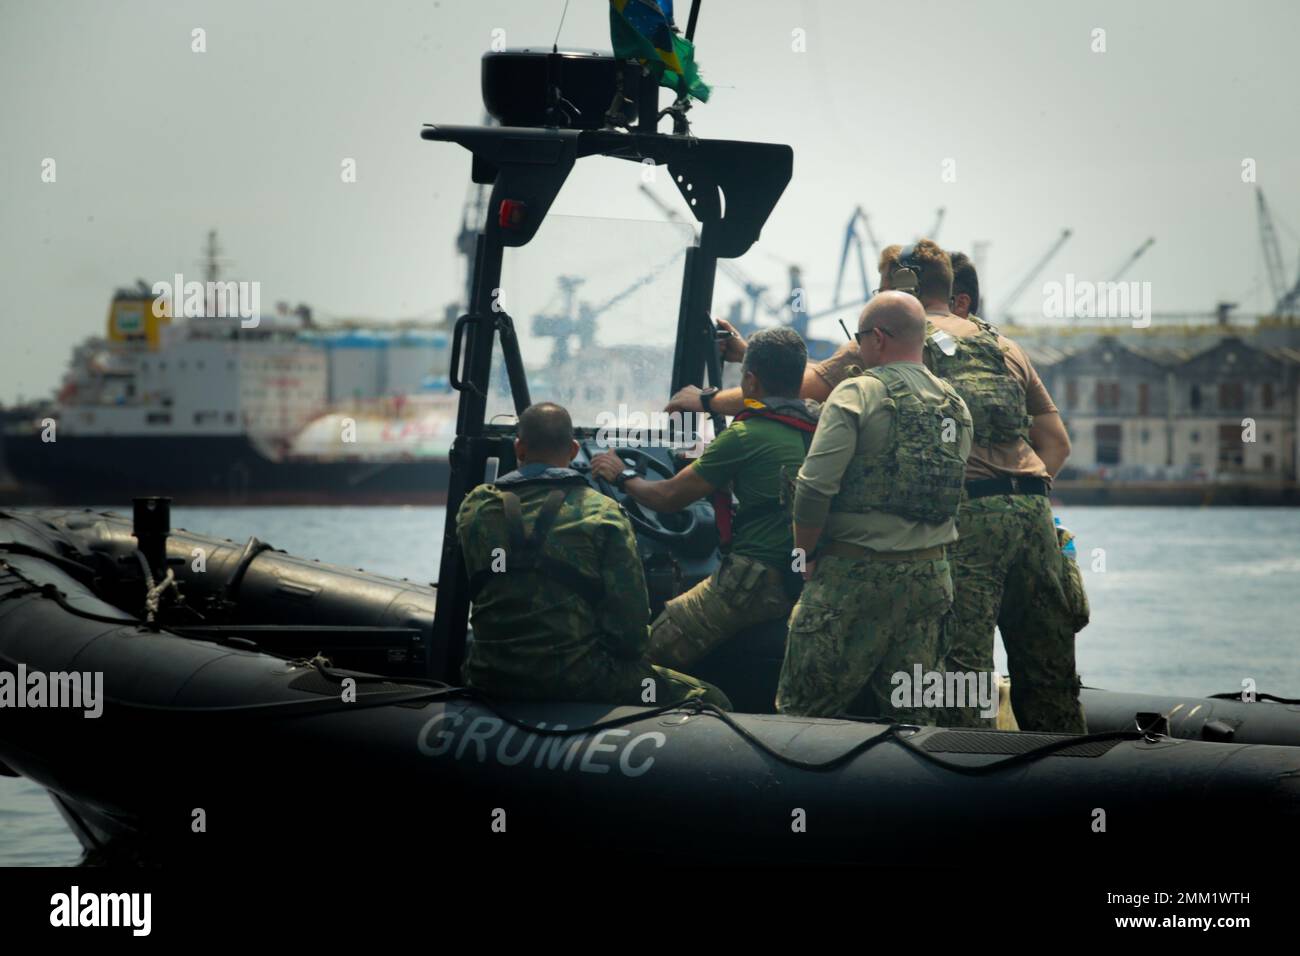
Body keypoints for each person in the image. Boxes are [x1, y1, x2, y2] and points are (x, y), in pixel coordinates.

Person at [879, 240, 1085, 733]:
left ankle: (969, 777)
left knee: (961, 667)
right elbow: (1056, 443)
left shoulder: (901, 336)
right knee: (1047, 661)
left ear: (901, 288)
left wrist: (718, 392)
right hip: (1034, 511)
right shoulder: (1004, 345)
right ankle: (1070, 775)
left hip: (967, 518)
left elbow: (808, 384)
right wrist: (1018, 494)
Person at [775, 292, 972, 720]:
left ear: (878, 338)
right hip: (931, 580)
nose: (860, 348)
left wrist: (803, 555)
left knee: (804, 716)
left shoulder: (857, 393)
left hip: (855, 576)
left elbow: (813, 487)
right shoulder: (956, 405)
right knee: (914, 721)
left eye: (861, 338)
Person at [456, 401, 731, 708]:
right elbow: (629, 636)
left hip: (488, 677)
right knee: (712, 699)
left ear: (519, 448)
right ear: (574, 451)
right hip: (580, 681)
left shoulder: (476, 508)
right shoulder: (605, 516)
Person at [590, 328, 818, 670]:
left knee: (645, 653)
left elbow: (667, 497)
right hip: (800, 580)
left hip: (751, 581)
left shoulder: (744, 436)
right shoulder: (820, 429)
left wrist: (623, 475)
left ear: (751, 382)